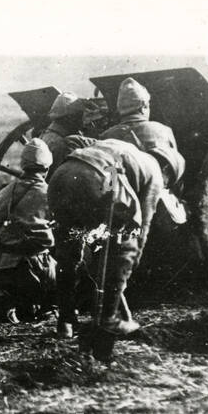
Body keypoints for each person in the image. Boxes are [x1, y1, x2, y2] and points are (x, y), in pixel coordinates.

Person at [48, 137, 177, 345]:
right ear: (167, 169)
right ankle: (109, 319)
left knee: (67, 253)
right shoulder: (154, 171)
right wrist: (129, 264)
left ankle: (65, 322)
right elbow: (141, 228)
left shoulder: (122, 148)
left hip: (61, 175)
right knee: (127, 243)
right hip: (99, 176)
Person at [0, 139, 56, 324]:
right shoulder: (50, 193)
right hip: (35, 265)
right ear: (47, 168)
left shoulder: (3, 192)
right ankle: (45, 304)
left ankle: (9, 298)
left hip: (2, 265)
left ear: (23, 166)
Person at [99, 77, 185, 183]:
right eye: (148, 106)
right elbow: (176, 171)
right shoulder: (163, 131)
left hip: (119, 195)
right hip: (154, 193)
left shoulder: (105, 136)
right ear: (143, 107)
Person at [38, 93, 96, 177]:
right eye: (79, 115)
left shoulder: (44, 136)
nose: (81, 120)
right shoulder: (64, 145)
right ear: (69, 117)